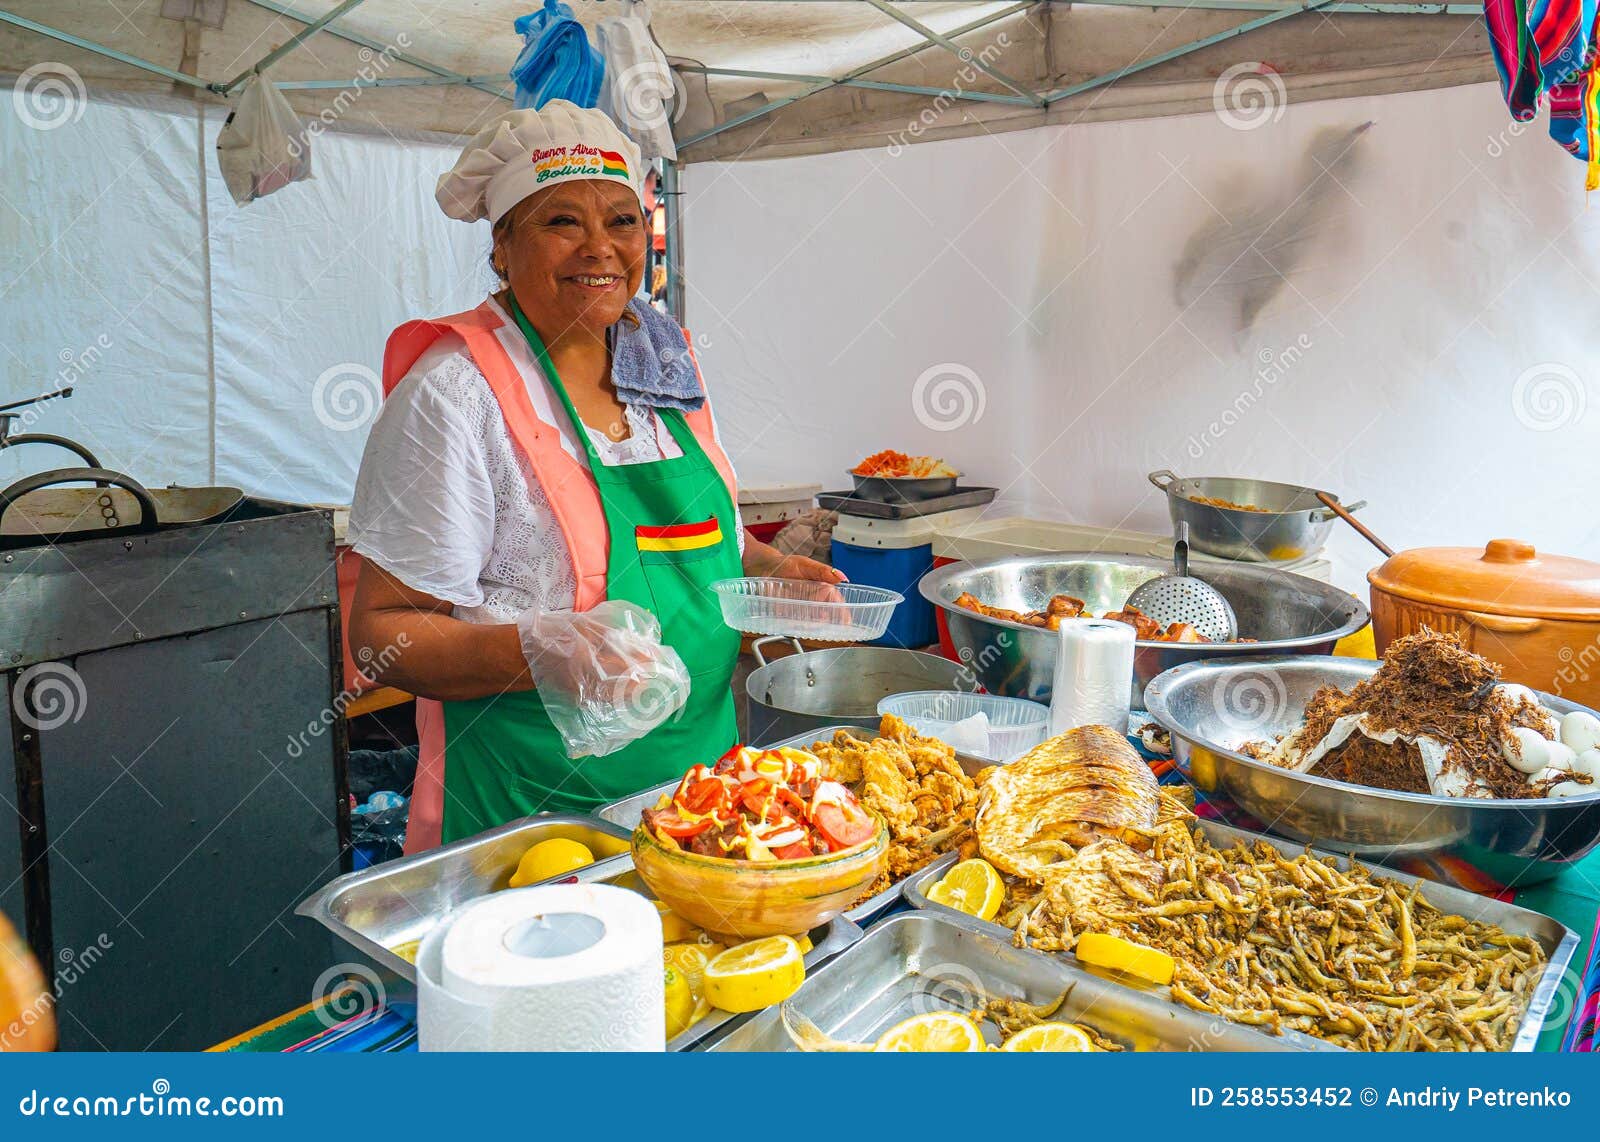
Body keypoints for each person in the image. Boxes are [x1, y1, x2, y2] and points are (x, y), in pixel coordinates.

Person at [347, 102, 841, 852]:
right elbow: (384, 633)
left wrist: (771, 572)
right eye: (561, 222)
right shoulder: (455, 395)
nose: (600, 248)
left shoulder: (663, 359)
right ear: (502, 246)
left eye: (622, 220)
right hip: (536, 817)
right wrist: (537, 654)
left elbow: (702, 535)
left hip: (700, 795)